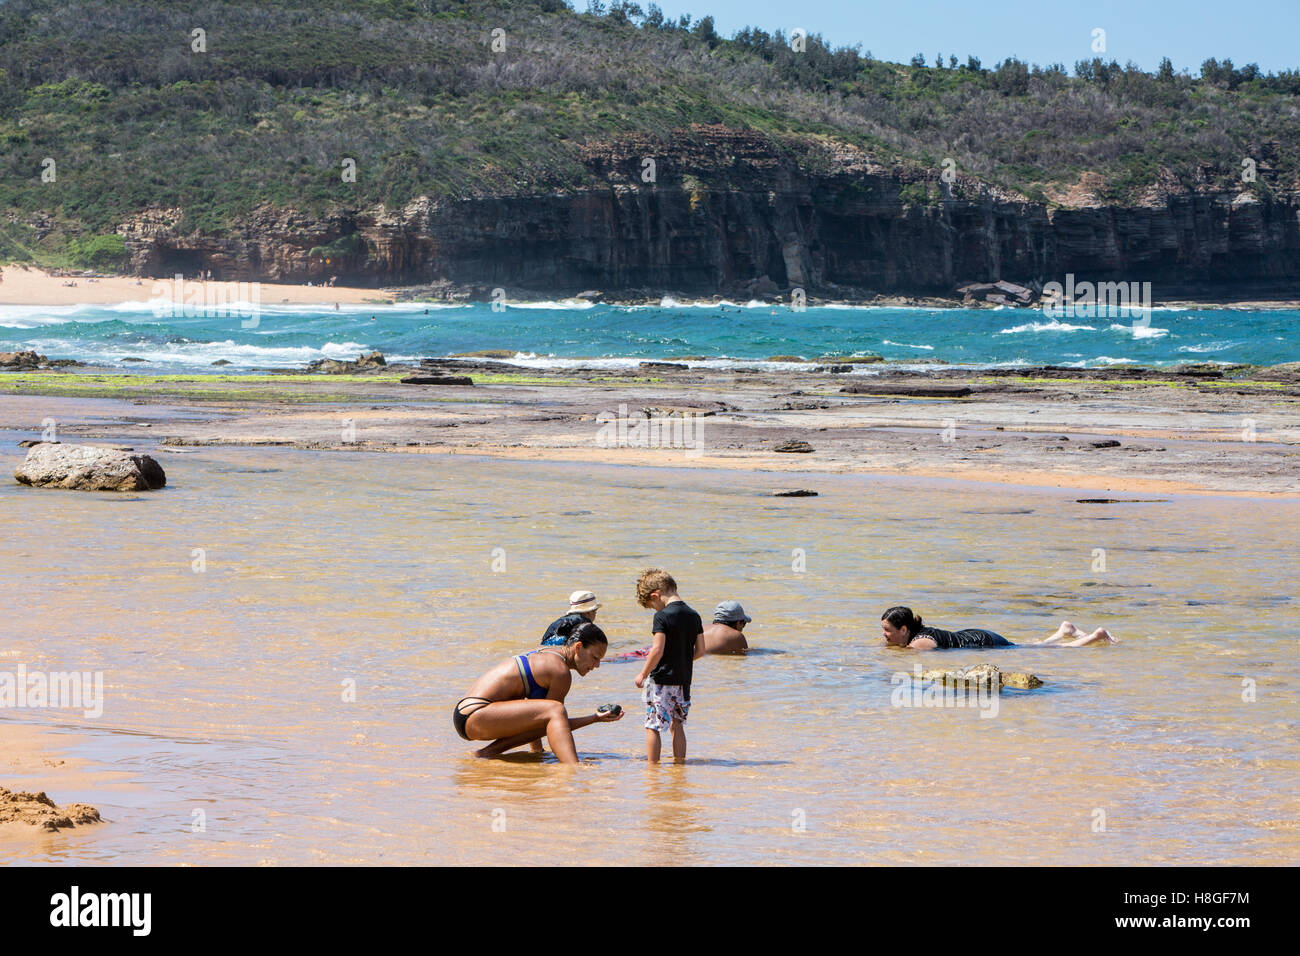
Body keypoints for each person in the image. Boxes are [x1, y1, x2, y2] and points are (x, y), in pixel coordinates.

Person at [452, 622, 622, 763]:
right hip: (477, 715)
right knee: (556, 709)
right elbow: (552, 722)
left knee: (551, 712)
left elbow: (536, 719)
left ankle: (485, 754)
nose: (597, 665)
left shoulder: (549, 653)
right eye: (595, 657)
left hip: (467, 714)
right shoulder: (560, 671)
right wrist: (593, 719)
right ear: (578, 647)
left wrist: (537, 752)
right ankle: (572, 769)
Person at [633, 568, 704, 764]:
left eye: (652, 605)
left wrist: (642, 674)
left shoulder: (662, 617)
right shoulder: (694, 615)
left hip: (662, 680)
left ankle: (652, 767)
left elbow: (657, 650)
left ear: (655, 595)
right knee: (677, 724)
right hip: (683, 680)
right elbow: (700, 650)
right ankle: (679, 764)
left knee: (653, 725)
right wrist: (681, 661)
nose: (655, 610)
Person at [879, 606, 1118, 649]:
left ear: (903, 629)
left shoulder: (919, 644)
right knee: (1025, 648)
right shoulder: (911, 637)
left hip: (981, 642)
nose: (884, 635)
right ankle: (1064, 631)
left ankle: (1097, 635)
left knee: (1039, 651)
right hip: (972, 635)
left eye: (888, 630)